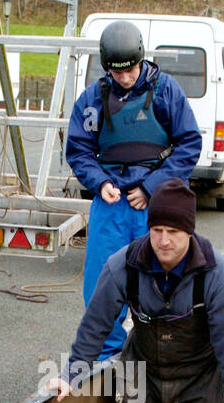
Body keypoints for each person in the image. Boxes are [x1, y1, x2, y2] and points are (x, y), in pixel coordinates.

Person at [45, 179, 224, 403]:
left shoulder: (218, 277)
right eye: (157, 230)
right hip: (142, 369)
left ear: (189, 231)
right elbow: (95, 326)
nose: (164, 241)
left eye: (173, 231)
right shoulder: (122, 265)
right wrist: (70, 375)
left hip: (198, 375)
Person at [66, 20, 202, 359]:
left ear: (141, 60)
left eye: (129, 70)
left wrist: (151, 187)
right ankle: (104, 355)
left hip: (154, 204)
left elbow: (189, 144)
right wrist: (100, 182)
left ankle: (159, 350)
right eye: (117, 71)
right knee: (102, 280)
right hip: (111, 202)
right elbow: (78, 149)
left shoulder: (166, 91)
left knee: (161, 278)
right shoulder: (93, 98)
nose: (124, 78)